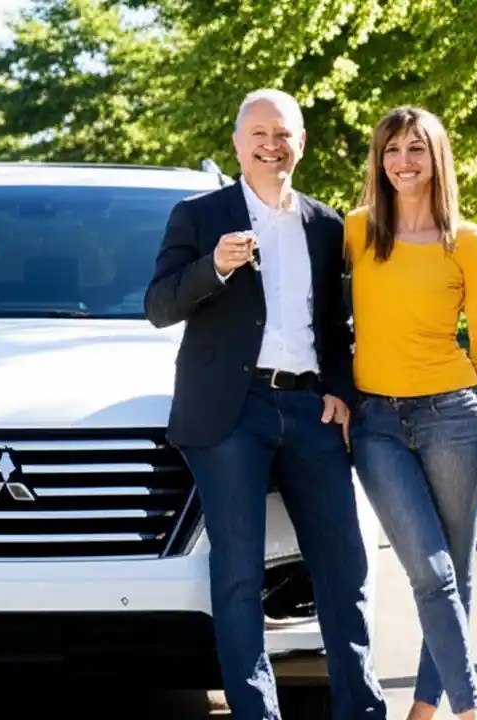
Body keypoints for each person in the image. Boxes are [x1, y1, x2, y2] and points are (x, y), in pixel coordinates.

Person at [144, 88, 386, 720]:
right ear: (237, 144)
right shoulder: (197, 216)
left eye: (284, 135)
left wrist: (340, 387)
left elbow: (336, 325)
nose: (272, 145)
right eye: (260, 134)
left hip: (310, 411)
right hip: (231, 415)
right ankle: (257, 713)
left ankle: (361, 709)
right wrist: (214, 268)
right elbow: (158, 306)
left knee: (345, 566)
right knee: (239, 575)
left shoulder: (326, 224)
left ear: (300, 144)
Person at [343, 105, 477, 720]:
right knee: (432, 569)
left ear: (436, 158)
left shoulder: (468, 242)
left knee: (454, 568)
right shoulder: (356, 231)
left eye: (416, 149)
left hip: (453, 415)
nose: (403, 162)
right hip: (377, 424)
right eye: (391, 150)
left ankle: (423, 707)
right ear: (379, 160)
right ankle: (471, 711)